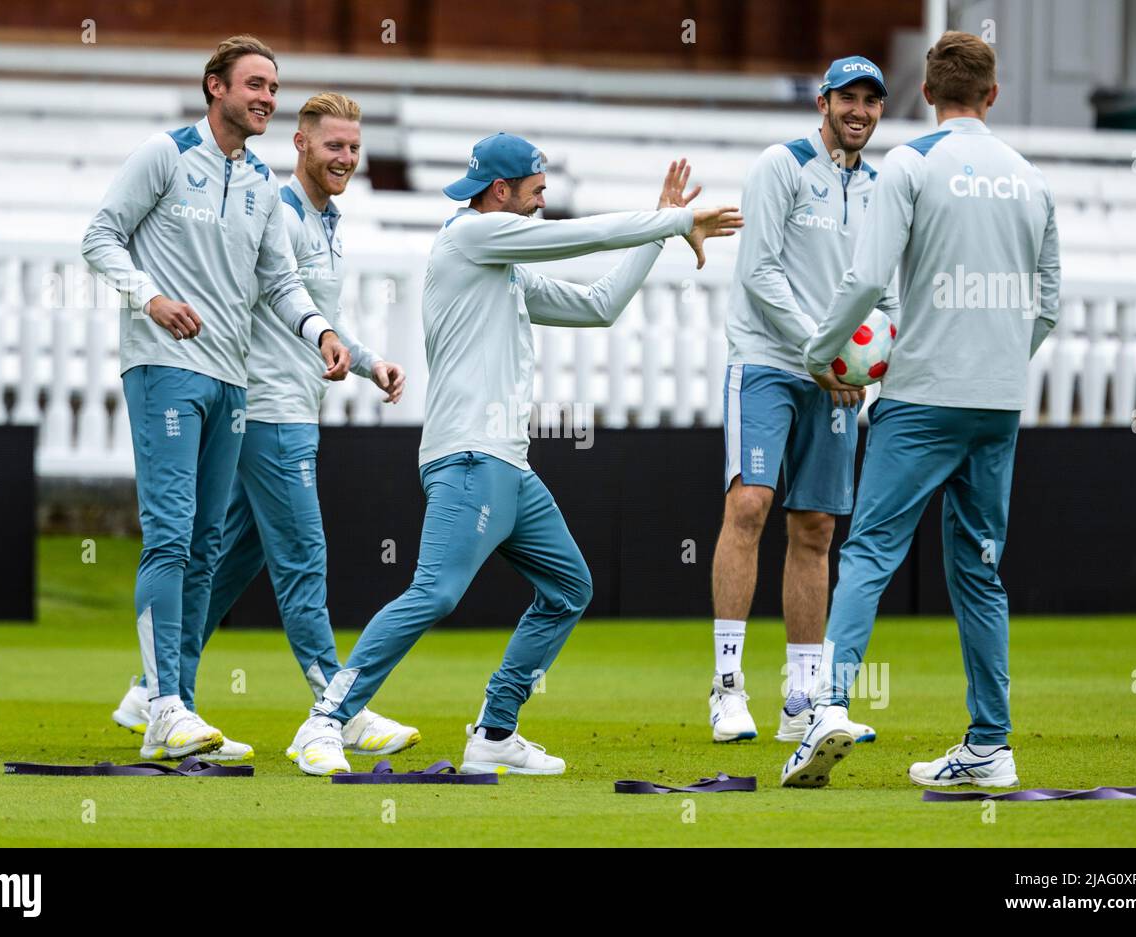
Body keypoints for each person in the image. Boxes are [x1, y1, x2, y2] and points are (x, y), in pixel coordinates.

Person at [300, 132, 742, 775]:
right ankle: (326, 720)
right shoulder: (468, 238)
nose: (542, 203)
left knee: (568, 587)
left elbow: (600, 306)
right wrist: (673, 218)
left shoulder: (500, 267)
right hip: (468, 458)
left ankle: (495, 732)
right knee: (436, 593)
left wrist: (659, 236)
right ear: (499, 191)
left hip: (509, 465)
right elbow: (577, 239)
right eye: (534, 192)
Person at [110, 92, 420, 773]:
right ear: (300, 145)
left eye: (352, 146)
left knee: (224, 565)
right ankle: (338, 705)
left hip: (286, 405)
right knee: (303, 558)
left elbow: (305, 307)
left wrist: (365, 361)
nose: (345, 156)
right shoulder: (272, 207)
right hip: (269, 408)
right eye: (332, 144)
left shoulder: (323, 219)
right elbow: (256, 298)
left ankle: (149, 689)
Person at [782, 31, 1059, 788]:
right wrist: (995, 360)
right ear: (992, 95)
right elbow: (1051, 307)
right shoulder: (1031, 178)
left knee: (870, 550)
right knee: (979, 571)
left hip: (920, 396)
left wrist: (819, 352)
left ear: (927, 94)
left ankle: (831, 705)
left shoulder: (910, 163)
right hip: (997, 405)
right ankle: (990, 746)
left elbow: (868, 279)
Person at [83, 35, 351, 761]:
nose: (267, 96)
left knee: (203, 547)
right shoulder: (165, 155)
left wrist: (321, 332)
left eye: (273, 86)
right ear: (215, 88)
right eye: (255, 84)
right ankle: (162, 706)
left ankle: (179, 713)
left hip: (234, 380)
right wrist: (152, 299)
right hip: (165, 367)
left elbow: (279, 280)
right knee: (171, 535)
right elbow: (99, 237)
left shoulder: (263, 182)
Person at [708, 56, 895, 745]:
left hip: (840, 376)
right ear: (823, 102)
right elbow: (757, 270)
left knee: (816, 526)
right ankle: (727, 686)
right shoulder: (779, 165)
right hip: (767, 359)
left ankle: (802, 699)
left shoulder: (881, 185)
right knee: (749, 503)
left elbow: (886, 287)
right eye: (848, 96)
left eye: (872, 100)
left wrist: (878, 356)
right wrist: (822, 353)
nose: (860, 110)